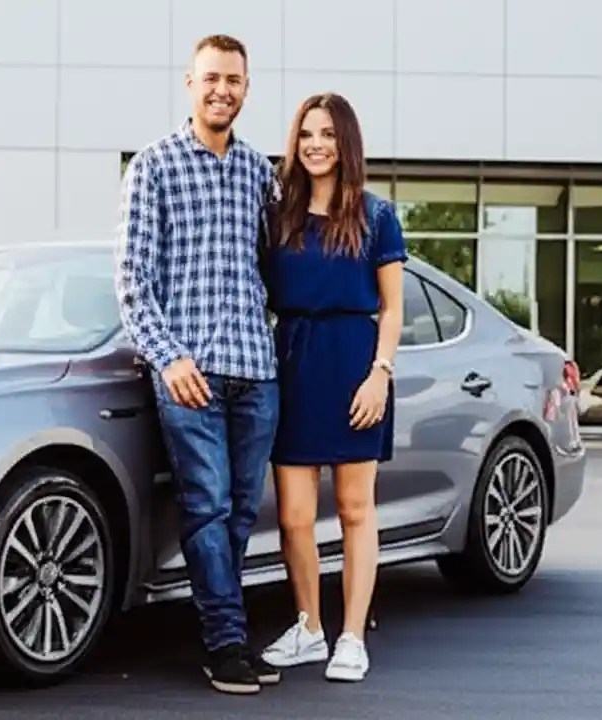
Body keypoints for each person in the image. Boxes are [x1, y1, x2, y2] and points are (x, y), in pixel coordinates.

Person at [115, 34, 281, 695]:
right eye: (212, 78)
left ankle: (225, 627)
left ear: (246, 88)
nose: (223, 89)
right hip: (191, 375)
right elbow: (132, 280)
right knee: (207, 508)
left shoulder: (259, 173)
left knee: (242, 512)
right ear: (189, 83)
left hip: (256, 371)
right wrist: (167, 357)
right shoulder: (153, 166)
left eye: (234, 80)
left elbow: (277, 268)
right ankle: (226, 643)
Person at [257, 92, 406, 683]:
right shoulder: (278, 216)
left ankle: (351, 636)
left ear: (347, 143)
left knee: (352, 509)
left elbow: (393, 309)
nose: (315, 144)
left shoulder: (376, 215)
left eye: (327, 134)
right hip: (291, 364)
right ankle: (309, 629)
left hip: (354, 365)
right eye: (305, 134)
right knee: (294, 516)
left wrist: (380, 373)